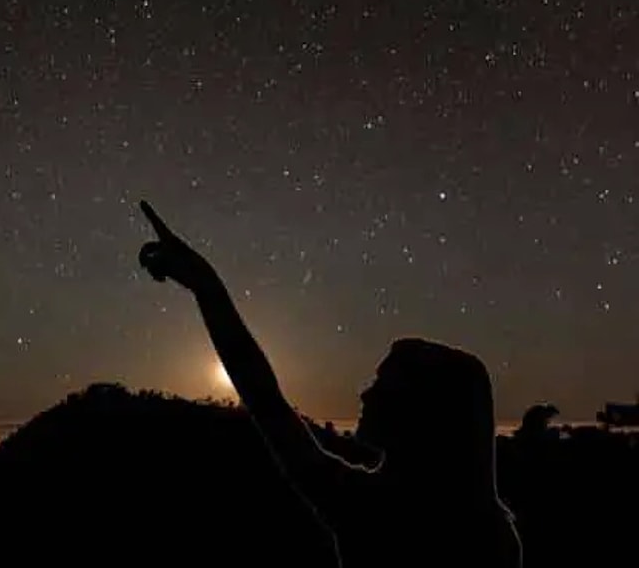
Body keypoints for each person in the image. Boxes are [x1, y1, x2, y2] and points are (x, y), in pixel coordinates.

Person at [137, 200, 521, 568]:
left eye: (384, 385)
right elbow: (266, 400)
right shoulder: (490, 533)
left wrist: (207, 286)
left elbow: (265, 400)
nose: (365, 393)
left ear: (422, 413)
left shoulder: (369, 511)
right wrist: (205, 285)